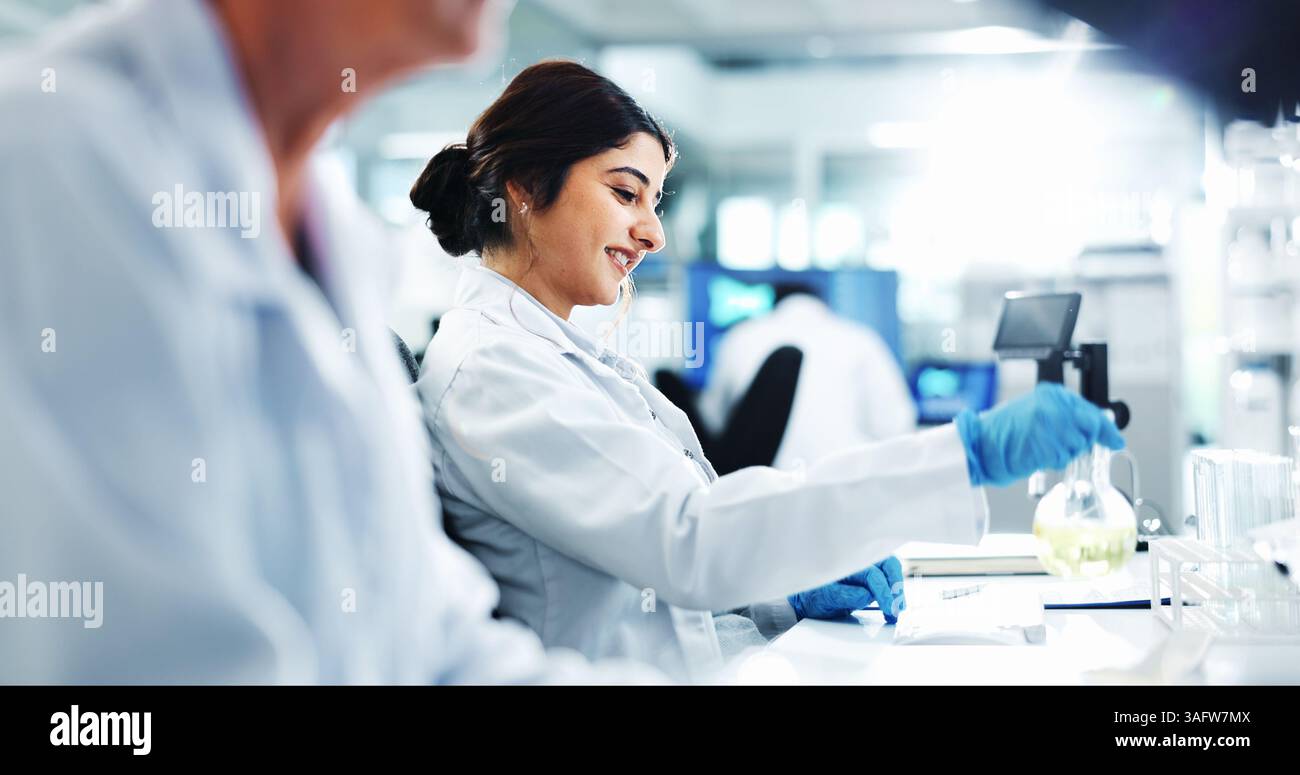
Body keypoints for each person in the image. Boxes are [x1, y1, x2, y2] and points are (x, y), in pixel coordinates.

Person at [0, 0, 657, 684]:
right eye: (626, 193)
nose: (649, 232)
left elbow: (428, 644)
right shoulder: (50, 168)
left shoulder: (323, 218)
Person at [412, 61, 1125, 679]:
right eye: (627, 194)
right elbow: (688, 536)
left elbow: (665, 566)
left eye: (654, 203)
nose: (653, 232)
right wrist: (965, 453)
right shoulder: (491, 370)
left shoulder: (554, 352)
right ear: (528, 187)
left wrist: (784, 593)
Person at [699, 282, 916, 471]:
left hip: (761, 492)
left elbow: (713, 420)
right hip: (843, 485)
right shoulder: (861, 339)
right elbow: (895, 425)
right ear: (822, 304)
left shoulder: (740, 337)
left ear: (773, 304)